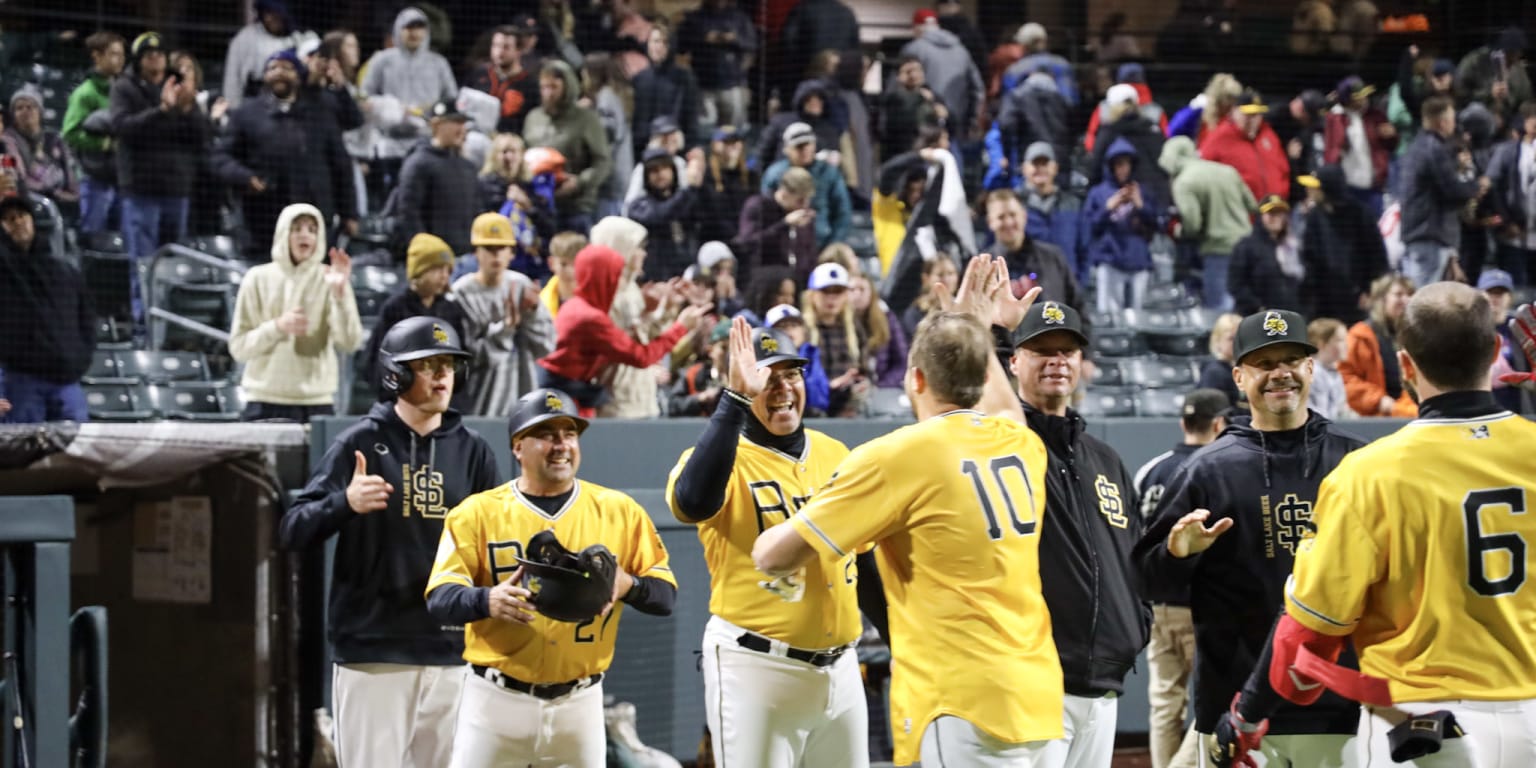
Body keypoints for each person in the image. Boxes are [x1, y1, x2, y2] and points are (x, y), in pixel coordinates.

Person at [752, 255, 1065, 767]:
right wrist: (974, 328)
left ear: (915, 379)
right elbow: (1004, 405)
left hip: (958, 698)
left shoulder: (898, 455)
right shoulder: (1019, 441)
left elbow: (777, 557)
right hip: (1036, 692)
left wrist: (765, 541)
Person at [1219, 282, 1536, 768]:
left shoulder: (1368, 473)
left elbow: (1306, 629)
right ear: (1496, 351)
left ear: (1405, 365)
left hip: (1423, 722)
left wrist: (1248, 714)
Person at [1134, 309, 1368, 768]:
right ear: (1239, 377)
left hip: (1340, 706)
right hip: (1234, 712)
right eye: (1264, 363)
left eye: (1290, 360)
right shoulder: (1207, 469)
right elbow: (1147, 581)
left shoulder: (1357, 461)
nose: (1279, 373)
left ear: (1309, 368)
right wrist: (1179, 552)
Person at [279, 315, 502, 768]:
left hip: (451, 654)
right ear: (394, 374)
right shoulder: (359, 441)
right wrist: (345, 502)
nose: (443, 375)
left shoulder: (474, 451)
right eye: (429, 364)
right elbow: (293, 528)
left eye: (449, 365)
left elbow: (496, 544)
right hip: (373, 652)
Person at [424, 388, 677, 767]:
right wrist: (485, 600)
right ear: (518, 447)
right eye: (546, 434)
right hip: (495, 703)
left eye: (569, 434)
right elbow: (439, 599)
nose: (561, 445)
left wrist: (628, 585)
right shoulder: (476, 513)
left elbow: (666, 597)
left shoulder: (618, 510)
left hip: (580, 704)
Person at [668, 318, 868, 766]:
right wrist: (734, 399)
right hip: (757, 665)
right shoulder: (722, 458)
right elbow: (693, 501)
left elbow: (866, 560)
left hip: (841, 668)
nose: (781, 389)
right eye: (766, 378)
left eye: (790, 374)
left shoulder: (836, 454)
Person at [1009, 296, 1149, 767]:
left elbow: (1131, 555)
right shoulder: (1003, 446)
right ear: (1013, 361)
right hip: (1033, 684)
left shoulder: (1105, 459)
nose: (1056, 361)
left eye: (1066, 350)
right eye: (1041, 350)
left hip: (1102, 684)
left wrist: (1134, 626)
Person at [1131, 387, 1230, 768]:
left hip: (1157, 605)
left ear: (1183, 422)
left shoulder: (1151, 469)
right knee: (1212, 704)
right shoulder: (1214, 466)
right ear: (1218, 423)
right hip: (1198, 604)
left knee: (1164, 705)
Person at [213, 49, 357, 259]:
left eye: (287, 68)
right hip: (263, 220)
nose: (279, 72)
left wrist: (349, 213)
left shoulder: (320, 113)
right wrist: (244, 177)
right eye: (272, 68)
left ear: (298, 76)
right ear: (264, 76)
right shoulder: (246, 113)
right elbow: (220, 157)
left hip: (313, 219)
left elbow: (341, 165)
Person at [110, 31, 210, 330]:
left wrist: (189, 109)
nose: (155, 58)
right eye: (148, 54)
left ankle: (171, 329)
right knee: (143, 262)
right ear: (138, 60)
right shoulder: (124, 88)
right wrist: (163, 111)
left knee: (172, 263)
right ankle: (146, 329)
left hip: (177, 190)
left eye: (160, 53)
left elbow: (203, 139)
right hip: (141, 191)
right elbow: (122, 128)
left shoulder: (179, 87)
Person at [228, 203, 363, 422]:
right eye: (297, 228)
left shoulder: (331, 278)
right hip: (263, 401)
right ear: (283, 233)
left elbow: (349, 342)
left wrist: (339, 296)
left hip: (316, 403)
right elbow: (239, 348)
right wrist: (278, 327)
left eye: (312, 229)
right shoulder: (256, 278)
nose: (305, 235)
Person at [537, 243, 709, 415]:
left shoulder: (578, 306)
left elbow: (621, 339)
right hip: (565, 398)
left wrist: (655, 310)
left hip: (567, 392)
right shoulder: (589, 317)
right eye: (616, 276)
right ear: (602, 278)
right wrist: (681, 327)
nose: (618, 283)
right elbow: (641, 357)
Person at [0, 196, 94, 424]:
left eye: (22, 216)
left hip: (67, 381)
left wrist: (79, 360)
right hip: (21, 382)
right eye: (9, 219)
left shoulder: (65, 271)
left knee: (77, 454)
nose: (18, 222)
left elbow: (87, 320)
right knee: (21, 456)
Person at [453, 213, 556, 417]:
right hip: (478, 398)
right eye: (489, 249)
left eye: (502, 248)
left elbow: (546, 346)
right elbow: (466, 357)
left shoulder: (521, 285)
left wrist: (532, 313)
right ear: (476, 253)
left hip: (520, 395)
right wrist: (506, 329)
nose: (496, 255)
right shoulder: (461, 293)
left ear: (511, 253)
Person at [365, 233, 471, 408]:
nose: (444, 276)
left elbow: (460, 364)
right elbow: (376, 363)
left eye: (448, 270)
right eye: (438, 269)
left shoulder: (451, 310)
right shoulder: (395, 308)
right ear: (420, 270)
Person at [1158, 135, 1257, 311]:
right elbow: (1252, 205)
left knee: (1219, 309)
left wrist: (1178, 230)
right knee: (1245, 304)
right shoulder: (1228, 171)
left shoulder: (1183, 182)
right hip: (1246, 245)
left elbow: (1193, 224)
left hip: (1218, 249)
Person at [1399, 96, 1488, 290]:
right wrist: (1475, 187)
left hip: (1422, 232)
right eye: (1452, 119)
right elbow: (1452, 189)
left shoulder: (1417, 146)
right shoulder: (1435, 149)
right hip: (1430, 233)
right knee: (1423, 299)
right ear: (1443, 122)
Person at [522, 59, 613, 233]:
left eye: (554, 87)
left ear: (568, 87)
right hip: (538, 206)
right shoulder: (533, 118)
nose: (548, 93)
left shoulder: (587, 119)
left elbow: (603, 161)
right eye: (544, 87)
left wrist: (579, 182)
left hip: (576, 207)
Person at [392, 102, 480, 256]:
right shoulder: (418, 163)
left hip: (465, 256)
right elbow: (408, 215)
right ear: (436, 125)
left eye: (464, 123)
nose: (462, 129)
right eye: (456, 122)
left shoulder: (468, 167)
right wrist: (424, 253)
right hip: (434, 261)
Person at [1084, 137, 1160, 314]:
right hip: (1110, 260)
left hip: (1139, 261)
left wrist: (1140, 205)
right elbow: (1088, 228)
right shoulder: (1098, 193)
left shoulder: (1142, 191)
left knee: (1140, 316)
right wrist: (1108, 207)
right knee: (1109, 316)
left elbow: (1157, 225)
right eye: (1118, 164)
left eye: (1126, 164)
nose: (1123, 169)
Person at [63, 31, 126, 233]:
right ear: (97, 56)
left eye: (122, 54)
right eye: (114, 54)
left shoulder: (123, 90)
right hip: (95, 179)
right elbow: (70, 133)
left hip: (121, 178)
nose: (120, 59)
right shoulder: (85, 93)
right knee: (94, 236)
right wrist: (104, 144)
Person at [761, 122, 852, 251]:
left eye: (807, 144)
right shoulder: (775, 174)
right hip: (782, 244)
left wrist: (833, 246)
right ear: (787, 149)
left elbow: (842, 213)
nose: (804, 150)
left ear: (814, 145)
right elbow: (765, 210)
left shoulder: (828, 172)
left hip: (820, 243)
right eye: (798, 146)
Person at [1341, 274, 1418, 418]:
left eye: (1410, 294)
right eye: (1399, 294)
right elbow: (1344, 379)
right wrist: (1379, 401)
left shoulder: (1418, 336)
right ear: (1381, 299)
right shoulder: (1360, 336)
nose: (1406, 300)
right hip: (1374, 419)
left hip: (1411, 415)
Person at [902, 9, 984, 139]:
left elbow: (903, 86)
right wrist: (972, 122)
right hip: (958, 124)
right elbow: (978, 89)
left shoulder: (913, 49)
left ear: (916, 28)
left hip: (925, 126)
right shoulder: (961, 50)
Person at [1200, 90, 1291, 204]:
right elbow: (1203, 176)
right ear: (1234, 111)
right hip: (1239, 216)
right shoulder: (1219, 138)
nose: (1253, 120)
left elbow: (1283, 170)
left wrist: (1282, 194)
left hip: (1272, 213)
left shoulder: (1268, 135)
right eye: (1248, 114)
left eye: (1257, 114)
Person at [222, 0, 305, 108]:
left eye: (277, 13)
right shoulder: (246, 38)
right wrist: (233, 109)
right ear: (261, 14)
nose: (273, 18)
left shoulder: (297, 38)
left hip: (290, 101)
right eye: (269, 13)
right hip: (255, 100)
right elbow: (232, 79)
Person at [1229, 195, 1303, 316]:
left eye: (1280, 213)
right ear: (1260, 217)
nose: (1276, 218)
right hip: (1256, 317)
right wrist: (1259, 307)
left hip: (1289, 316)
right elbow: (1235, 284)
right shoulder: (1246, 246)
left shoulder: (1292, 246)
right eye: (1271, 213)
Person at [4, 86, 77, 206]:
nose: (25, 111)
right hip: (29, 199)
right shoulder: (8, 140)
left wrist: (73, 195)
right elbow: (18, 178)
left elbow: (70, 171)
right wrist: (54, 193)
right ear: (14, 116)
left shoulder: (54, 138)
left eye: (30, 107)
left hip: (62, 198)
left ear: (40, 112)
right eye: (19, 108)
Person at [463, 24, 541, 135]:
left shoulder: (530, 85)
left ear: (519, 50)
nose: (499, 52)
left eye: (506, 47)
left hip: (509, 140)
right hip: (474, 134)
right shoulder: (479, 74)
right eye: (496, 46)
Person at [1198, 312, 1244, 408]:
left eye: (1240, 338)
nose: (1236, 343)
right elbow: (1211, 410)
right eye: (1231, 339)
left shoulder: (1244, 368)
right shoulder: (1214, 373)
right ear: (1217, 341)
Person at [1306, 318, 1349, 420]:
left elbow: (1341, 410)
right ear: (1322, 344)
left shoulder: (1335, 373)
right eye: (1340, 340)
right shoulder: (1313, 373)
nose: (1346, 345)